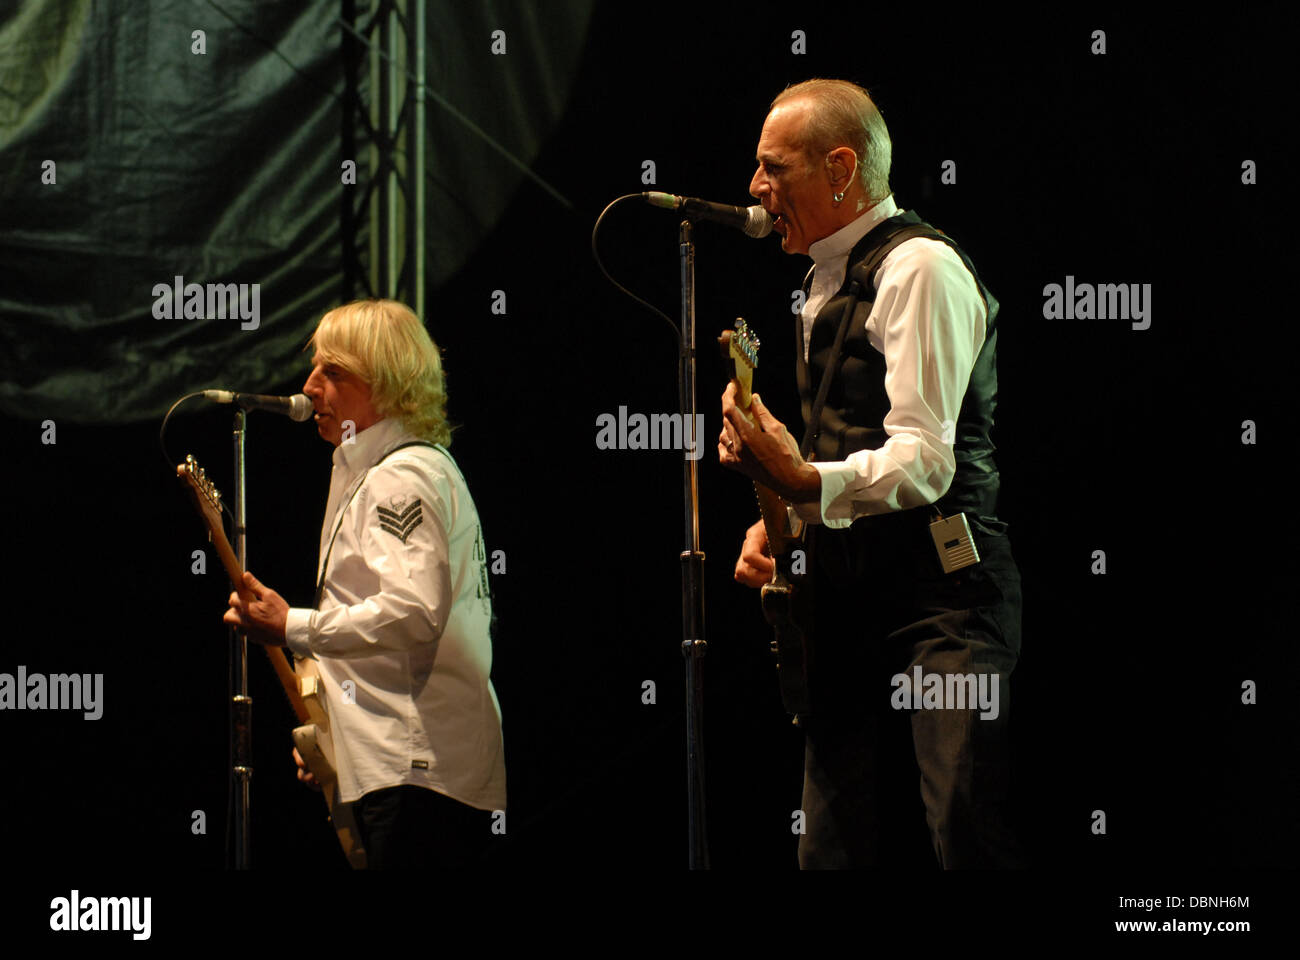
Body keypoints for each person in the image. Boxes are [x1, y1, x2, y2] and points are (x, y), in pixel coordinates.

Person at [719, 79, 1024, 869]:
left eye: (772, 168)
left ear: (842, 168)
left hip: (945, 595)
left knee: (963, 824)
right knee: (830, 844)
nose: (755, 189)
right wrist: (780, 516)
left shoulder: (920, 267)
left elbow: (925, 458)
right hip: (851, 587)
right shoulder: (823, 279)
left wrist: (804, 483)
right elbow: (842, 443)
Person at [223, 298, 506, 868]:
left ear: (383, 383)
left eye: (332, 370)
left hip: (417, 773)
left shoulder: (400, 477)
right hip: (406, 770)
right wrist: (337, 745)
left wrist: (292, 625)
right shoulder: (386, 470)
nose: (309, 385)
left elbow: (412, 614)